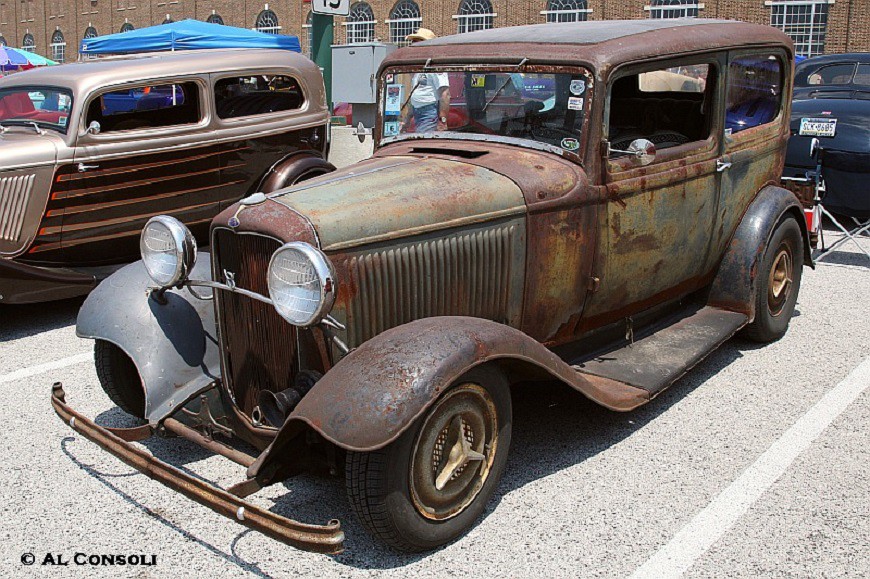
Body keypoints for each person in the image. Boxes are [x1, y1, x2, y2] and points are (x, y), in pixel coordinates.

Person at [400, 28, 450, 132]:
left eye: (418, 43)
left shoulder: (435, 66)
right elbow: (416, 95)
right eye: (413, 43)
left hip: (429, 112)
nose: (414, 46)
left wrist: (443, 120)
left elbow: (445, 94)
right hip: (417, 111)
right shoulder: (420, 67)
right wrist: (407, 120)